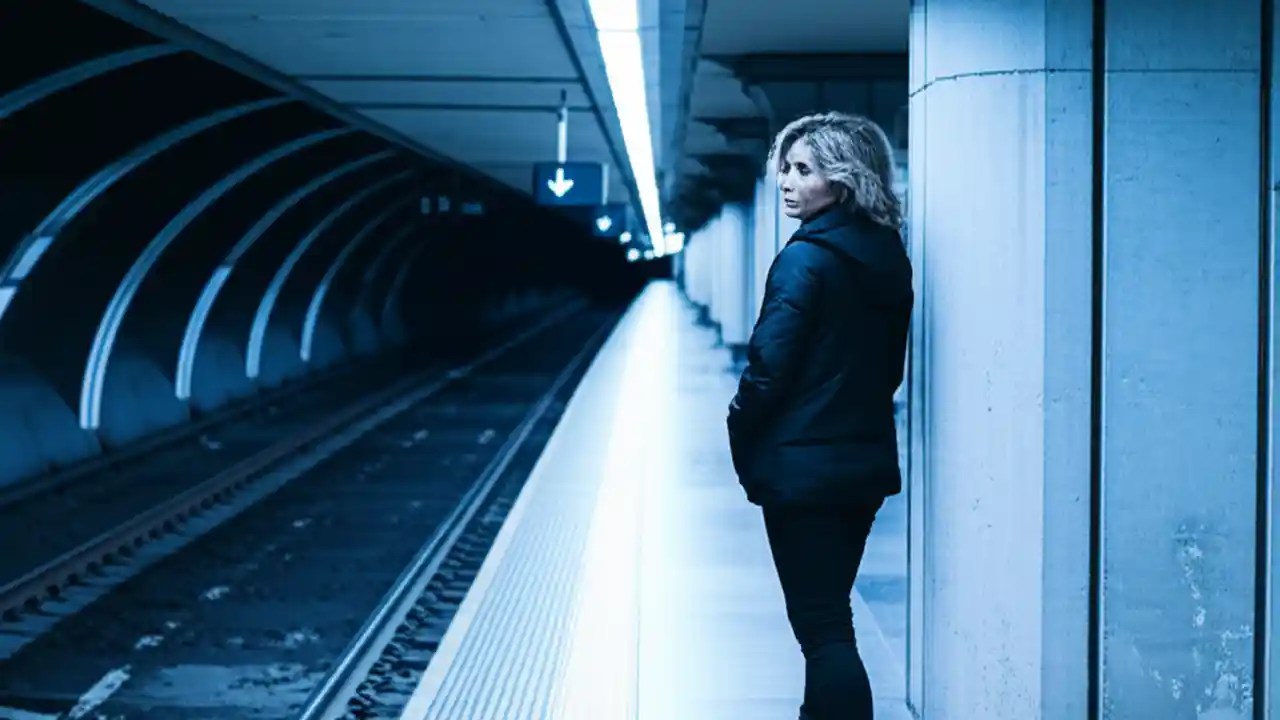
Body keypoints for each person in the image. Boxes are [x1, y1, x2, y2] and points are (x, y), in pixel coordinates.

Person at [726, 112, 913, 720]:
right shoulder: (887, 256)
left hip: (802, 475)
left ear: (844, 179)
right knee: (830, 613)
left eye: (804, 169)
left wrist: (739, 425)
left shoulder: (804, 260)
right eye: (786, 167)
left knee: (824, 628)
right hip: (861, 467)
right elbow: (889, 371)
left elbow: (767, 369)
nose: (786, 181)